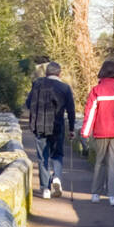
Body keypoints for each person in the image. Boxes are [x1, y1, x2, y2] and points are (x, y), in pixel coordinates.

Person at [80, 60, 114, 206]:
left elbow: (90, 113)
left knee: (100, 161)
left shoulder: (96, 91)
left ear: (102, 73)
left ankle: (96, 194)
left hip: (100, 131)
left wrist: (85, 132)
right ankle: (113, 196)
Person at [25, 62, 75, 199]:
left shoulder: (37, 85)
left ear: (46, 73)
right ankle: (57, 177)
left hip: (39, 125)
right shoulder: (65, 87)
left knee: (43, 157)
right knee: (57, 154)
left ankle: (45, 189)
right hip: (57, 126)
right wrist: (71, 128)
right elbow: (71, 110)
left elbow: (28, 104)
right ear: (60, 73)